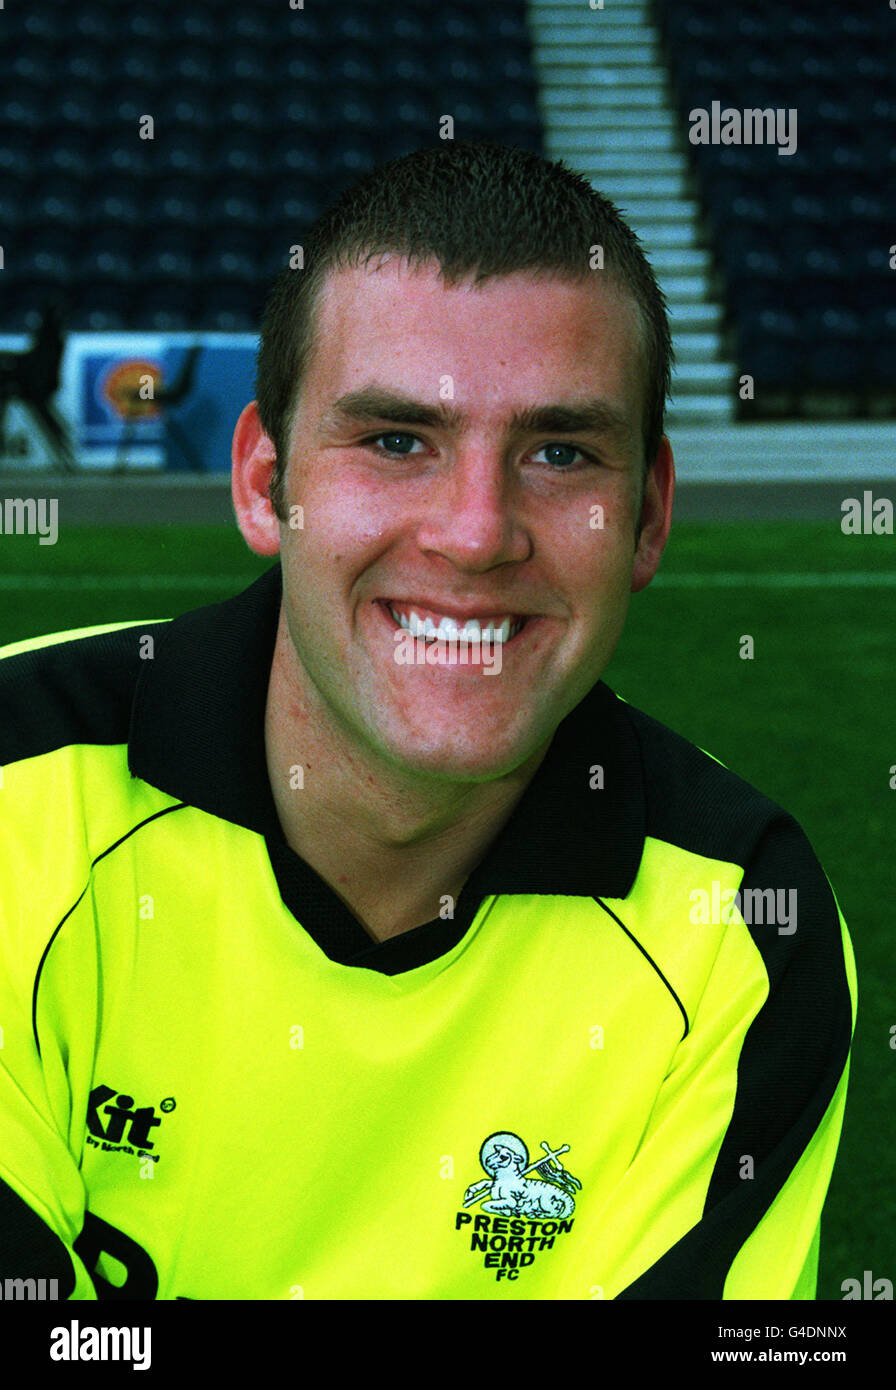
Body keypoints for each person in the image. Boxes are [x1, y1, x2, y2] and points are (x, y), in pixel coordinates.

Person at [0, 142, 855, 1300]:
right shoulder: (17, 789)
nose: (473, 533)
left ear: (647, 516)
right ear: (263, 483)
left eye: (558, 452)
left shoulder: (741, 926)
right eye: (396, 441)